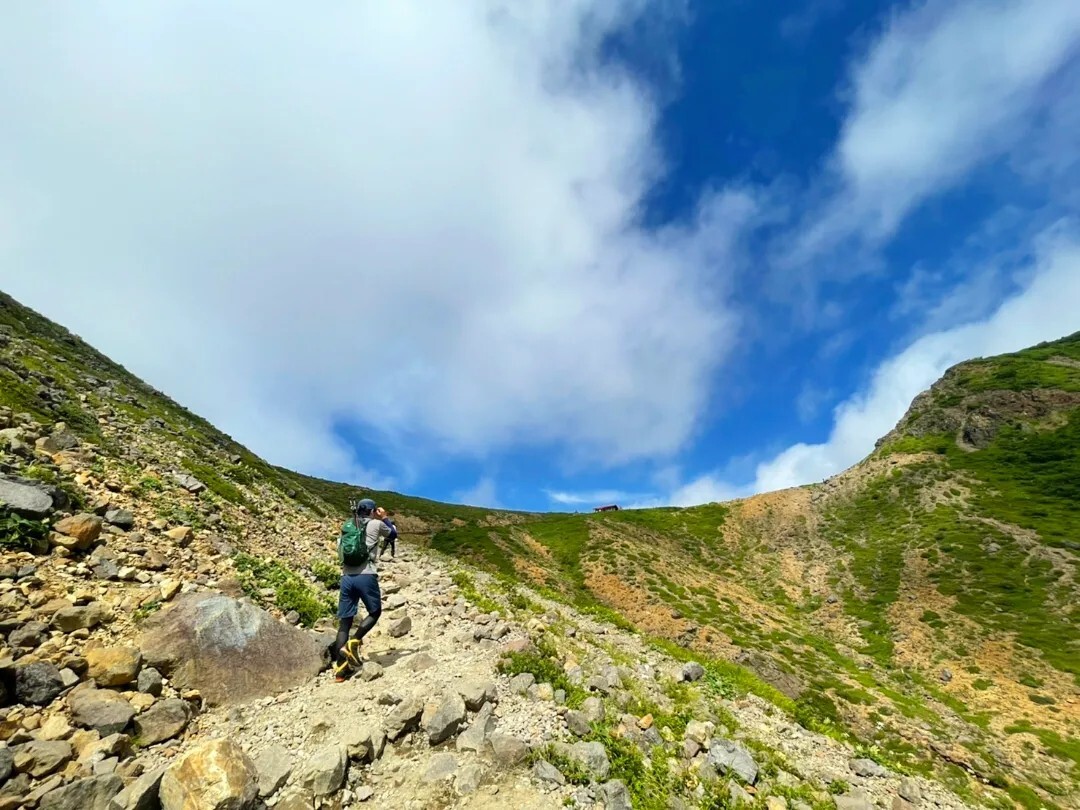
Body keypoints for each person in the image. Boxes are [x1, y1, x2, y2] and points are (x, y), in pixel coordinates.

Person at [330, 497, 392, 682]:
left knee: (345, 622)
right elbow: (393, 534)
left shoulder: (347, 526)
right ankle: (354, 642)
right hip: (366, 575)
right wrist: (385, 517)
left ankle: (340, 672)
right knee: (375, 611)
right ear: (372, 511)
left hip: (347, 577)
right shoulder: (375, 524)